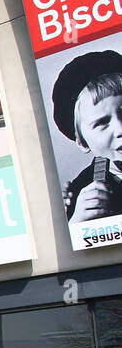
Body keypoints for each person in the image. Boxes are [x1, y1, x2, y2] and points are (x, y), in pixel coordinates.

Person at [51, 49, 122, 223]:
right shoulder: (81, 194)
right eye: (102, 123)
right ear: (82, 142)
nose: (120, 129)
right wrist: (77, 223)